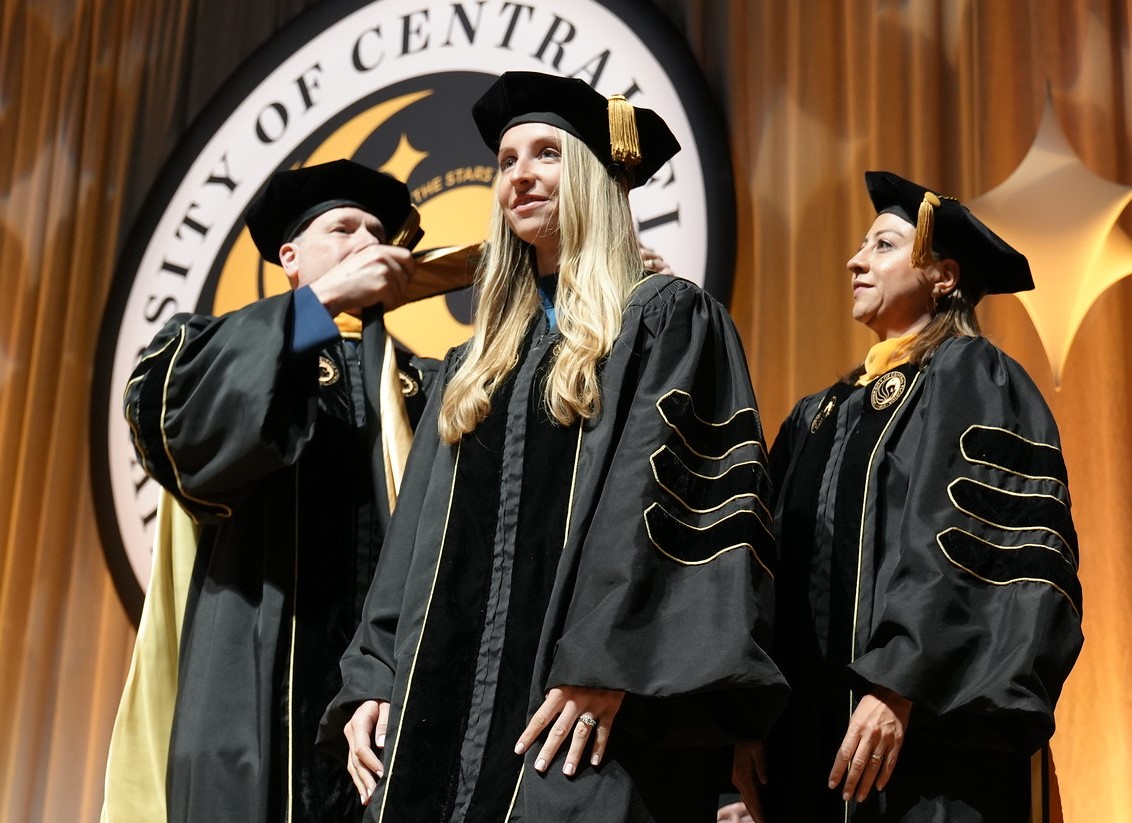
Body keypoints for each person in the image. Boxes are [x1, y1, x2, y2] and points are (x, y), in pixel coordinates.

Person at [317, 70, 789, 823]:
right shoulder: (477, 364)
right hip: (437, 730)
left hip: (588, 717)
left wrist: (612, 657)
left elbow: (671, 507)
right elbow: (413, 543)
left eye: (546, 153)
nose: (519, 176)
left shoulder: (664, 321)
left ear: (598, 180)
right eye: (506, 161)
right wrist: (373, 672)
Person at [110, 159, 442, 823]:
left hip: (393, 704)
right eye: (343, 227)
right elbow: (172, 416)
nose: (366, 241)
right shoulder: (217, 348)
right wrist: (320, 307)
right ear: (290, 257)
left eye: (378, 231)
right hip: (256, 699)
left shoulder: (428, 385)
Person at [761, 171, 1084, 822]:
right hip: (811, 749)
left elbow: (976, 548)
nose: (856, 260)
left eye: (882, 245)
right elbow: (764, 572)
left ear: (943, 276)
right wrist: (747, 723)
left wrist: (899, 681)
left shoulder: (975, 375)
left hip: (929, 744)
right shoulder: (818, 415)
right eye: (861, 246)